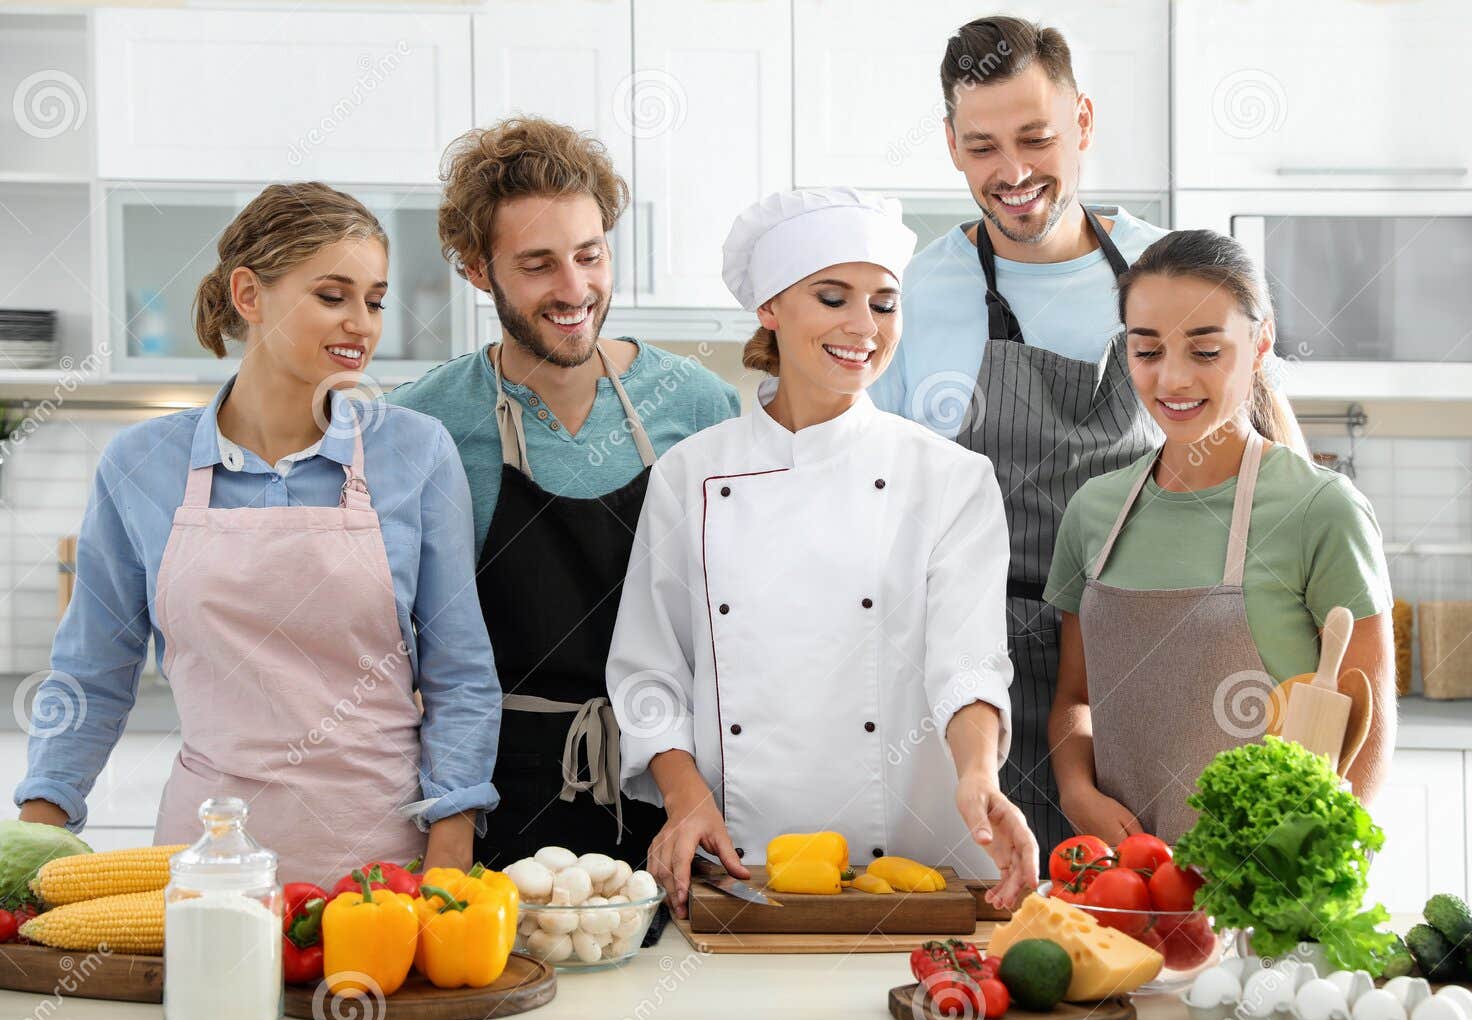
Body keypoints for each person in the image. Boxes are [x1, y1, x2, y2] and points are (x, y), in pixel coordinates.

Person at [872, 15, 1305, 868]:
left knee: (1170, 911)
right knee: (1009, 916)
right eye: (984, 146)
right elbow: (879, 498)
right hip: (978, 668)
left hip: (1161, 650)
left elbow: (1270, 444)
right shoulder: (915, 295)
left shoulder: (1167, 266)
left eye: (1036, 137)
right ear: (953, 147)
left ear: (1083, 124)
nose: (1014, 172)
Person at [13, 183, 501, 885]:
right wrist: (38, 834)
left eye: (375, 299)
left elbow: (460, 677)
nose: (362, 323)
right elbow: (93, 672)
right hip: (201, 868)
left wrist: (447, 863)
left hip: (380, 871)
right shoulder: (142, 464)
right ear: (249, 294)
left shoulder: (414, 453)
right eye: (333, 296)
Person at [607, 187, 1039, 917]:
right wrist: (684, 802)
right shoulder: (692, 473)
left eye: (884, 302)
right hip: (740, 866)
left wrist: (977, 772)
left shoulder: (951, 478)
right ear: (771, 309)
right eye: (833, 297)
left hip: (912, 864)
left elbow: (966, 660)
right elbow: (651, 674)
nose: (863, 327)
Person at [390, 117, 740, 871]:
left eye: (590, 255)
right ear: (478, 270)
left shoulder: (698, 404)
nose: (575, 289)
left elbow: (737, 620)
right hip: (495, 804)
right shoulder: (424, 422)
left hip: (677, 796)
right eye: (539, 264)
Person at [1045, 229, 1395, 843]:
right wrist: (1077, 791)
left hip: (1267, 892)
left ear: (1260, 345)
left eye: (1206, 352)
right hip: (1128, 889)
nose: (1172, 380)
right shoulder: (1093, 511)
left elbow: (1369, 728)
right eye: (1147, 352)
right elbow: (1075, 697)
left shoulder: (1322, 510)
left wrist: (1315, 875)